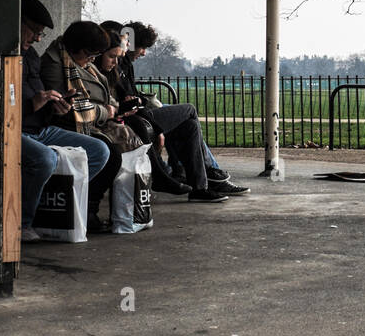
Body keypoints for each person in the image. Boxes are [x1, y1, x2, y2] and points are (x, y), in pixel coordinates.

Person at [105, 20, 248, 197]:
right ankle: (206, 171)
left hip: (139, 113)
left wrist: (136, 100)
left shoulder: (123, 65)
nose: (143, 52)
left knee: (190, 126)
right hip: (136, 116)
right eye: (141, 47)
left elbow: (129, 95)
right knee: (189, 110)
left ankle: (199, 187)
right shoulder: (118, 65)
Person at [19, 0, 111, 243]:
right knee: (44, 158)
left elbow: (41, 101)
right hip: (16, 131)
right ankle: (23, 222)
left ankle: (46, 204)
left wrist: (56, 106)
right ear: (17, 22)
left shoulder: (31, 57)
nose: (37, 38)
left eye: (40, 33)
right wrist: (34, 104)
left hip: (41, 127)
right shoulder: (4, 56)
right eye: (34, 31)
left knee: (99, 151)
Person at [38, 21, 125, 232]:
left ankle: (88, 207)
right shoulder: (54, 65)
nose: (92, 60)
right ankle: (87, 209)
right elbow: (73, 107)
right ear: (80, 49)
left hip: (90, 121)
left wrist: (111, 108)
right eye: (91, 55)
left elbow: (104, 92)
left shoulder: (79, 61)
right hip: (69, 124)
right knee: (111, 155)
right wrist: (105, 112)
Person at [93, 30, 191, 196]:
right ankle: (186, 174)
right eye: (141, 47)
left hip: (123, 113)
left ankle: (183, 173)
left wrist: (131, 104)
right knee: (188, 113)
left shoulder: (117, 69)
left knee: (187, 121)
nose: (116, 62)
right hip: (108, 118)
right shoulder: (106, 70)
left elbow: (123, 98)